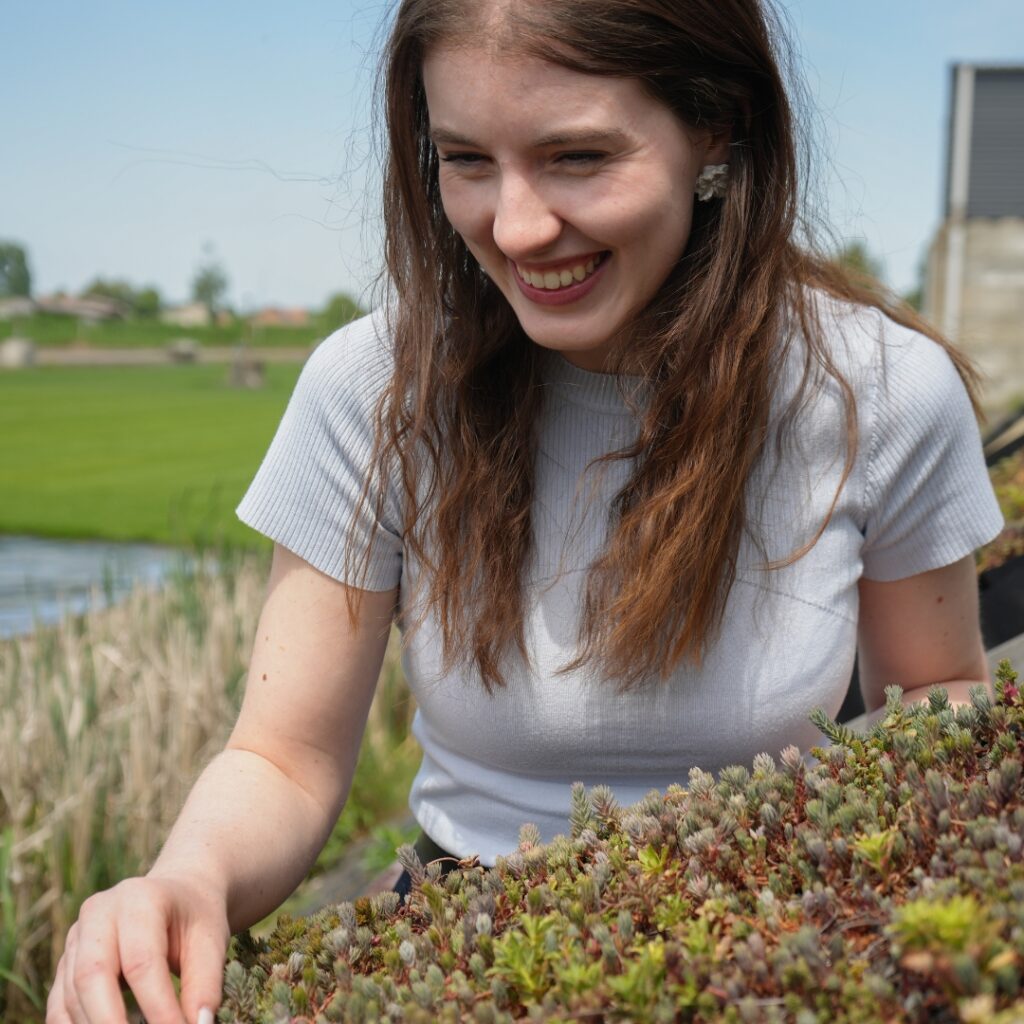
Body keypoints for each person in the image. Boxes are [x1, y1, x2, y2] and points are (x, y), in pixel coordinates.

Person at [47, 0, 1004, 1021]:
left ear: (716, 126)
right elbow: (284, 757)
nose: (513, 227)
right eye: (464, 159)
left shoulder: (882, 392)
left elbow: (935, 702)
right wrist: (183, 880)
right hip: (462, 945)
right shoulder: (370, 389)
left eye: (577, 157)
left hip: (773, 944)